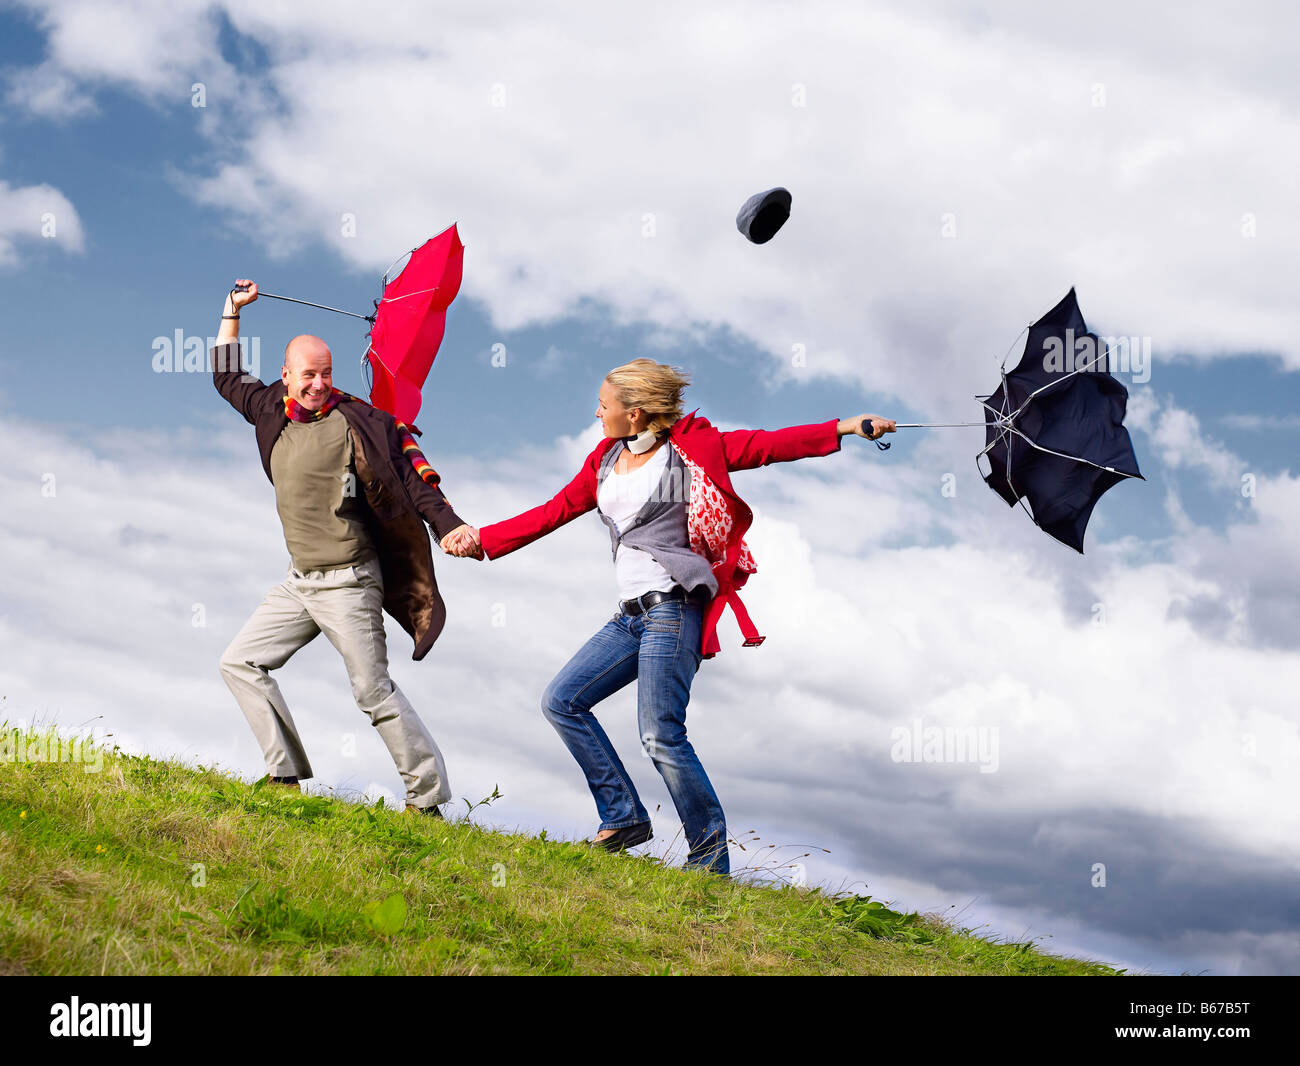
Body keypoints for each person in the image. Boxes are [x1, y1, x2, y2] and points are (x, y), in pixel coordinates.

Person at [444, 358, 895, 873]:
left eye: (604, 405)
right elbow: (554, 510)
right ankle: (625, 816)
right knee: (562, 700)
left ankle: (708, 862)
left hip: (674, 609)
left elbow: (769, 444)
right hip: (629, 618)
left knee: (660, 733)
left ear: (634, 414)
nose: (597, 412)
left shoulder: (693, 450)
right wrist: (483, 539)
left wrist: (845, 427)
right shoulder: (605, 458)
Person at [211, 280, 474, 815]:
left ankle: (426, 801)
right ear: (287, 375)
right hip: (298, 581)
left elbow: (413, 478)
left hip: (349, 581)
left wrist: (449, 526)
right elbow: (226, 374)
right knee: (239, 662)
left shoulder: (362, 422)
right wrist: (231, 311)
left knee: (372, 691)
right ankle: (283, 775)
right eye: (308, 374)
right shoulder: (270, 410)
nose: (318, 384)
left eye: (326, 373)